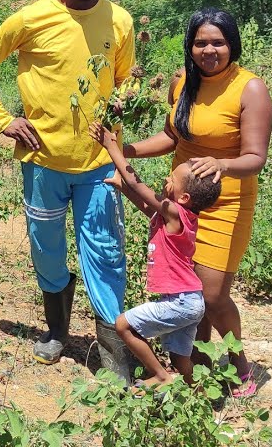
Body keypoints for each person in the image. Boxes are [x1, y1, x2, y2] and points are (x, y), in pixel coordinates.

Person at [0, 0, 138, 380]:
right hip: (43, 162)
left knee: (105, 252)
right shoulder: (33, 18)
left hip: (99, 163)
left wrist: (124, 101)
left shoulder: (119, 21)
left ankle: (114, 352)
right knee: (47, 250)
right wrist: (2, 120)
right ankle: (57, 330)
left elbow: (125, 80)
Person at [122, 8, 271, 397]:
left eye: (218, 42)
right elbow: (173, 136)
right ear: (190, 46)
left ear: (232, 44)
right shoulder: (183, 82)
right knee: (187, 291)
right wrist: (126, 150)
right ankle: (197, 366)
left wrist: (221, 163)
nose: (209, 50)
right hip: (183, 199)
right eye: (201, 42)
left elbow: (256, 157)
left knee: (212, 294)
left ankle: (241, 365)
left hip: (227, 201)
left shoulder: (249, 88)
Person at [90, 121, 221, 387]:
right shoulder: (177, 217)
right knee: (180, 357)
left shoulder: (175, 214)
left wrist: (112, 147)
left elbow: (138, 186)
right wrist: (121, 186)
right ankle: (200, 395)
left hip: (181, 301)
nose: (166, 179)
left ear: (183, 197)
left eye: (171, 179)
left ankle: (160, 376)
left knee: (123, 325)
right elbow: (143, 203)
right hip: (190, 301)